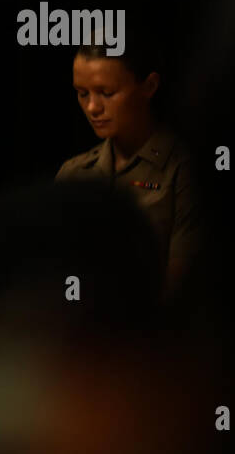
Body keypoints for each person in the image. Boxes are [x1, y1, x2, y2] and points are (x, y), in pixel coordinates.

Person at [56, 42, 197, 286]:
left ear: (149, 86)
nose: (93, 107)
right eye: (82, 93)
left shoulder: (182, 171)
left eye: (107, 93)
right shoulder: (74, 173)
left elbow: (181, 287)